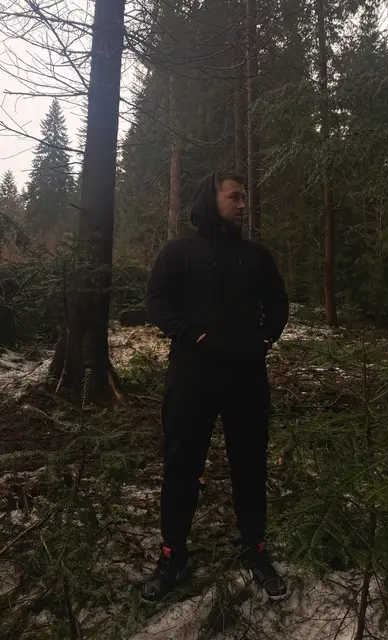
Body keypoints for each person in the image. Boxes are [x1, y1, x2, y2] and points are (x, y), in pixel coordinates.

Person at [142, 171, 289, 602]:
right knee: (181, 466)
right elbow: (157, 302)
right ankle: (173, 555)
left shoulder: (256, 256)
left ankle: (254, 547)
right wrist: (194, 335)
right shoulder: (179, 252)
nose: (243, 205)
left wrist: (265, 338)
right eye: (235, 197)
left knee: (250, 464)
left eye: (244, 198)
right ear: (212, 199)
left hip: (247, 377)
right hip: (191, 375)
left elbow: (278, 302)